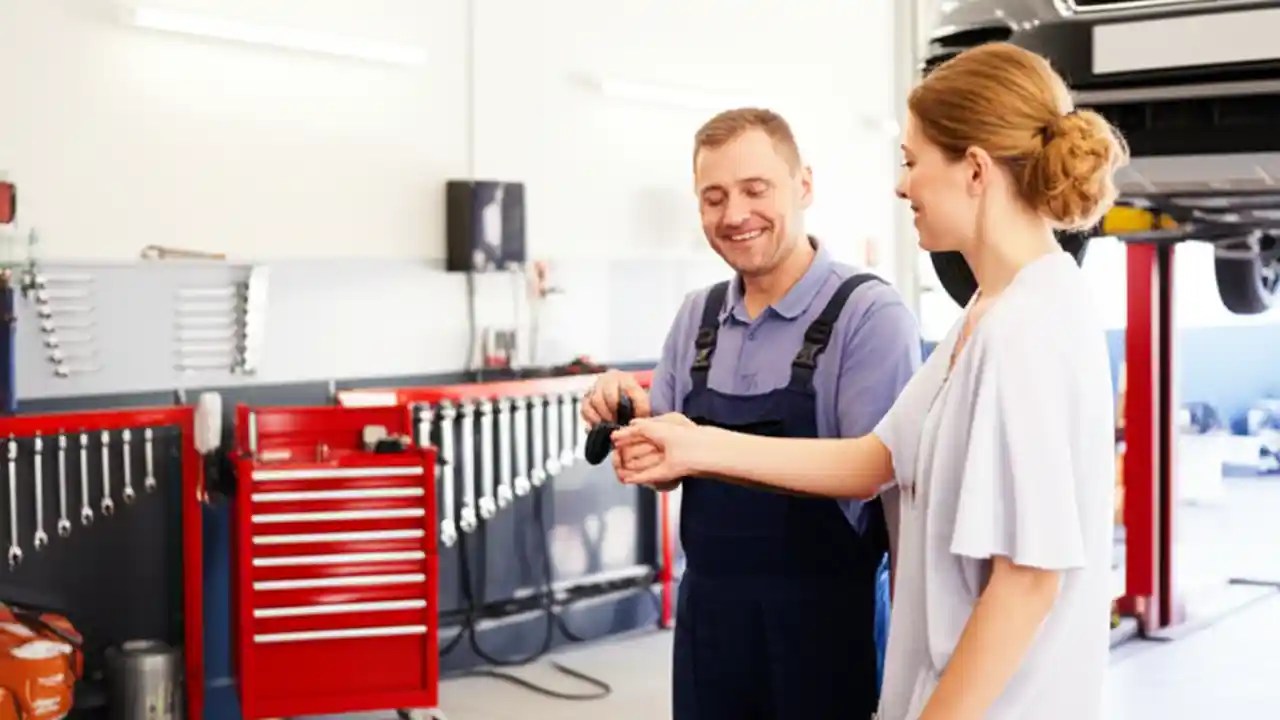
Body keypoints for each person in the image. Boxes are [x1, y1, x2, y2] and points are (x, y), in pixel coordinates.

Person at [611, 42, 1128, 720]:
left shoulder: (1024, 331)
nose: (901, 185)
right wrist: (693, 444)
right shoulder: (987, 313)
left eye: (912, 161)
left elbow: (1028, 581)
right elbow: (873, 459)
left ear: (974, 171)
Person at [581, 107, 921, 719]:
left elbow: (874, 474)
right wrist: (630, 418)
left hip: (827, 632)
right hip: (710, 628)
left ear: (804, 185)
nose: (734, 214)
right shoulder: (697, 315)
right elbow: (666, 468)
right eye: (713, 198)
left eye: (755, 190)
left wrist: (702, 447)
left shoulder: (869, 315)